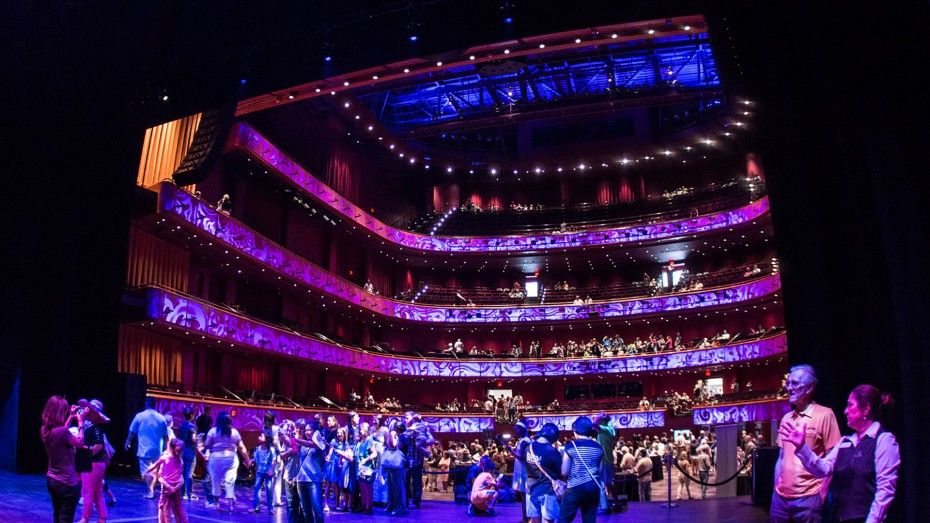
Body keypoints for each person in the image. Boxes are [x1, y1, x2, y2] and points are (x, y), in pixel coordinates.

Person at [780, 384, 900, 523]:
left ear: (866, 408)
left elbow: (885, 490)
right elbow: (822, 469)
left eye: (850, 405)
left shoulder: (884, 440)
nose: (845, 411)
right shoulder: (845, 442)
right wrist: (802, 446)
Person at [771, 364, 841, 523]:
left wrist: (822, 493)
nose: (789, 387)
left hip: (809, 499)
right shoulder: (787, 418)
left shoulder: (825, 414)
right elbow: (781, 458)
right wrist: (776, 489)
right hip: (780, 499)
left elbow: (833, 458)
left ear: (810, 387)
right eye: (788, 383)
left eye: (795, 383)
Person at [42, 396, 88, 523]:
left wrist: (70, 417)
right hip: (66, 482)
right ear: (59, 412)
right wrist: (80, 422)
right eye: (64, 410)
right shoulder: (62, 432)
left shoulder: (45, 430)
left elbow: (62, 433)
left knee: (57, 516)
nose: (66, 412)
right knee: (65, 519)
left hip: (52, 480)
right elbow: (80, 442)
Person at [204, 411, 252, 513]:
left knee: (215, 480)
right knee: (230, 481)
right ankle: (230, 505)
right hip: (231, 458)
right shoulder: (235, 432)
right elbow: (241, 447)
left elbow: (207, 444)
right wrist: (247, 459)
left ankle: (216, 504)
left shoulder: (213, 431)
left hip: (216, 458)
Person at [559, 416, 604, 523]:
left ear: (575, 430)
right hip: (593, 487)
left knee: (564, 519)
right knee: (589, 519)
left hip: (575, 488)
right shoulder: (599, 447)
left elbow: (564, 472)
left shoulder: (570, 446)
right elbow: (600, 470)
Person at [125, 397, 169, 499]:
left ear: (146, 404)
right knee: (154, 472)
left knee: (146, 473)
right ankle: (151, 491)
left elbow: (132, 431)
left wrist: (128, 442)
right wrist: (167, 448)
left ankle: (150, 492)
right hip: (157, 450)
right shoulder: (161, 418)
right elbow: (166, 436)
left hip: (144, 449)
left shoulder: (139, 416)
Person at [79, 399, 112, 523]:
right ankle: (102, 517)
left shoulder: (96, 427)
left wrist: (85, 455)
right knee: (97, 492)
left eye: (90, 410)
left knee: (87, 492)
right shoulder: (89, 425)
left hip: (94, 463)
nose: (87, 411)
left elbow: (98, 446)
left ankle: (84, 518)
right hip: (94, 462)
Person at [145, 438, 190, 523]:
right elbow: (156, 469)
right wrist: (173, 488)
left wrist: (172, 488)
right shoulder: (174, 459)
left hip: (170, 488)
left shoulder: (176, 460)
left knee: (167, 507)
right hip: (171, 487)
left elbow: (179, 477)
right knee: (172, 507)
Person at [525, 423, 562, 523]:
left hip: (530, 490)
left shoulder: (528, 448)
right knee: (547, 520)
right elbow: (560, 472)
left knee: (534, 519)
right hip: (547, 491)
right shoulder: (552, 451)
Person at [295, 417, 326, 523]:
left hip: (313, 481)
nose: (307, 432)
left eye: (310, 430)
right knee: (306, 511)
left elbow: (312, 445)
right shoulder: (302, 444)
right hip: (301, 480)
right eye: (306, 430)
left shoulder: (320, 443)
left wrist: (296, 440)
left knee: (317, 509)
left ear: (315, 431)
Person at [593, 414, 617, 513]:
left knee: (601, 483)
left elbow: (593, 425)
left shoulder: (604, 429)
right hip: (609, 459)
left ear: (603, 421)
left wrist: (599, 416)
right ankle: (616, 501)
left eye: (600, 420)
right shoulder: (611, 429)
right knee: (609, 483)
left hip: (603, 459)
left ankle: (604, 507)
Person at [194, 405, 216, 506]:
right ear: (209, 410)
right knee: (206, 456)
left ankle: (202, 472)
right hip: (206, 437)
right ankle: (205, 473)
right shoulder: (209, 419)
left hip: (200, 436)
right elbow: (210, 428)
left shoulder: (199, 418)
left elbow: (197, 427)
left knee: (201, 454)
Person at [252, 430, 278, 514]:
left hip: (268, 473)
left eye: (261, 436)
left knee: (269, 489)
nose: (259, 437)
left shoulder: (271, 449)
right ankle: (256, 507)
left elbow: (274, 460)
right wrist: (250, 461)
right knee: (256, 488)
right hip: (259, 472)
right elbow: (256, 459)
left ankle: (271, 508)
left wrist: (272, 469)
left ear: (266, 439)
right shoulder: (258, 449)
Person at [354, 422, 377, 514]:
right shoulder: (360, 441)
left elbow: (374, 453)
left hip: (368, 468)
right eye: (360, 429)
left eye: (362, 429)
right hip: (361, 468)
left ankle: (369, 506)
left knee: (367, 487)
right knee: (362, 487)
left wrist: (365, 460)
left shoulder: (369, 440)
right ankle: (364, 505)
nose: (360, 430)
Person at [176, 407, 197, 501]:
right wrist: (198, 440)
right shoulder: (192, 427)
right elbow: (193, 439)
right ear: (192, 415)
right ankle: (188, 493)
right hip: (190, 452)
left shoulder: (181, 426)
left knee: (182, 473)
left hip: (181, 452)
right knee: (189, 473)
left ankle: (182, 493)